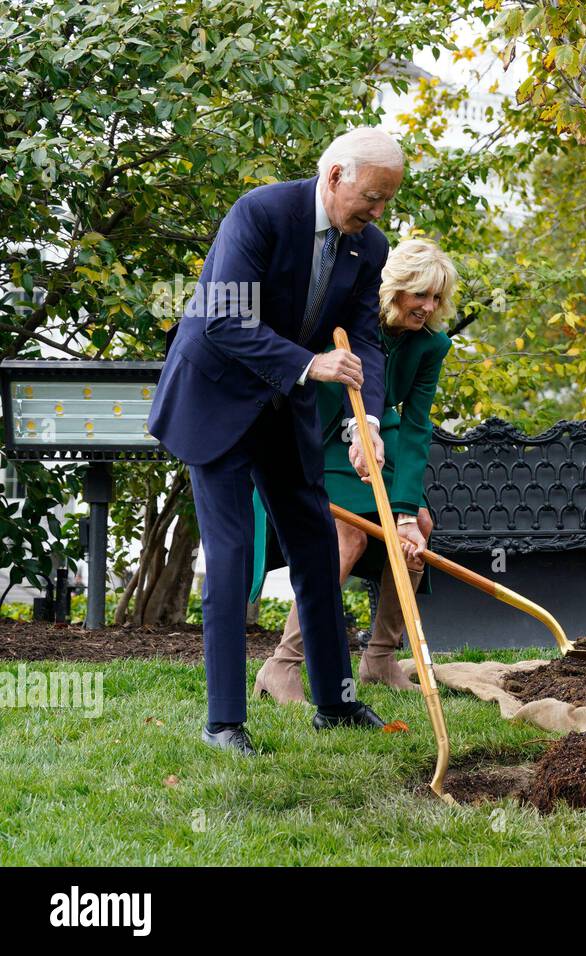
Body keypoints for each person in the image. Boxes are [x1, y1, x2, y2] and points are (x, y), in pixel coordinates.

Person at [148, 127, 406, 754]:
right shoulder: (260, 213)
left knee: (317, 548)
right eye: (371, 198)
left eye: (387, 202)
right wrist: (310, 365)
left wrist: (363, 422)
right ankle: (225, 723)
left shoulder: (367, 246)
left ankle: (336, 705)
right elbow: (224, 320)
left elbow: (364, 339)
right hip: (215, 401)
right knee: (234, 559)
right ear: (336, 175)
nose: (378, 213)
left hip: (280, 410)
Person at [250, 238, 457, 703]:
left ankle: (380, 657)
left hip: (379, 444)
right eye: (419, 294)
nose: (428, 306)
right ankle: (282, 664)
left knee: (418, 527)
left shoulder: (431, 346)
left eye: (436, 297)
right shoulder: (348, 323)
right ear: (395, 288)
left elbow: (418, 426)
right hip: (316, 440)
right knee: (347, 536)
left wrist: (405, 512)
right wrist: (353, 430)